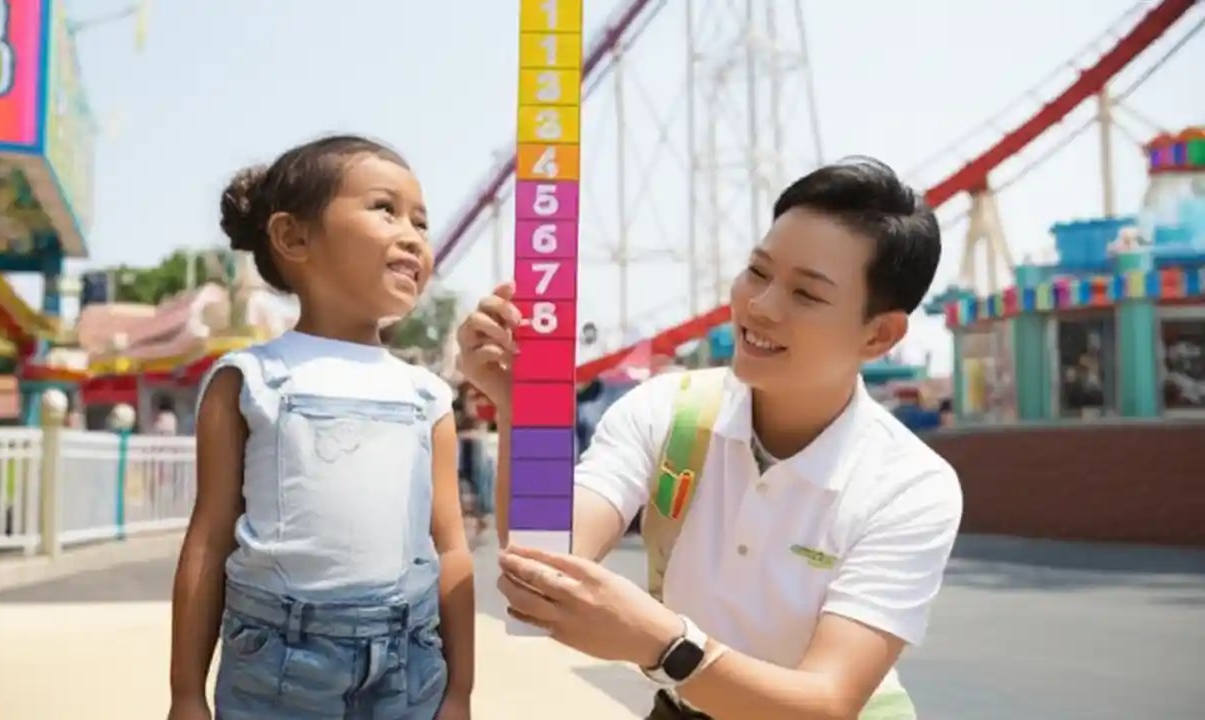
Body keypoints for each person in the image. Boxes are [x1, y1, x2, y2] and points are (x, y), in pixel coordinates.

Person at [457, 157, 963, 719]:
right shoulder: (667, 412)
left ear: (879, 334)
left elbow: (827, 705)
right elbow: (545, 563)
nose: (760, 306)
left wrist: (664, 645)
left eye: (806, 294)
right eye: (759, 270)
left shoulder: (910, 484)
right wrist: (522, 409)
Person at [168, 135, 474, 720]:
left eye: (421, 221)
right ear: (293, 237)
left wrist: (460, 690)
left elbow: (452, 548)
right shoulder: (249, 380)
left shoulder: (428, 395)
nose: (412, 235)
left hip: (411, 665)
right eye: (385, 209)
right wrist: (186, 693)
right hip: (277, 667)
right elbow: (209, 537)